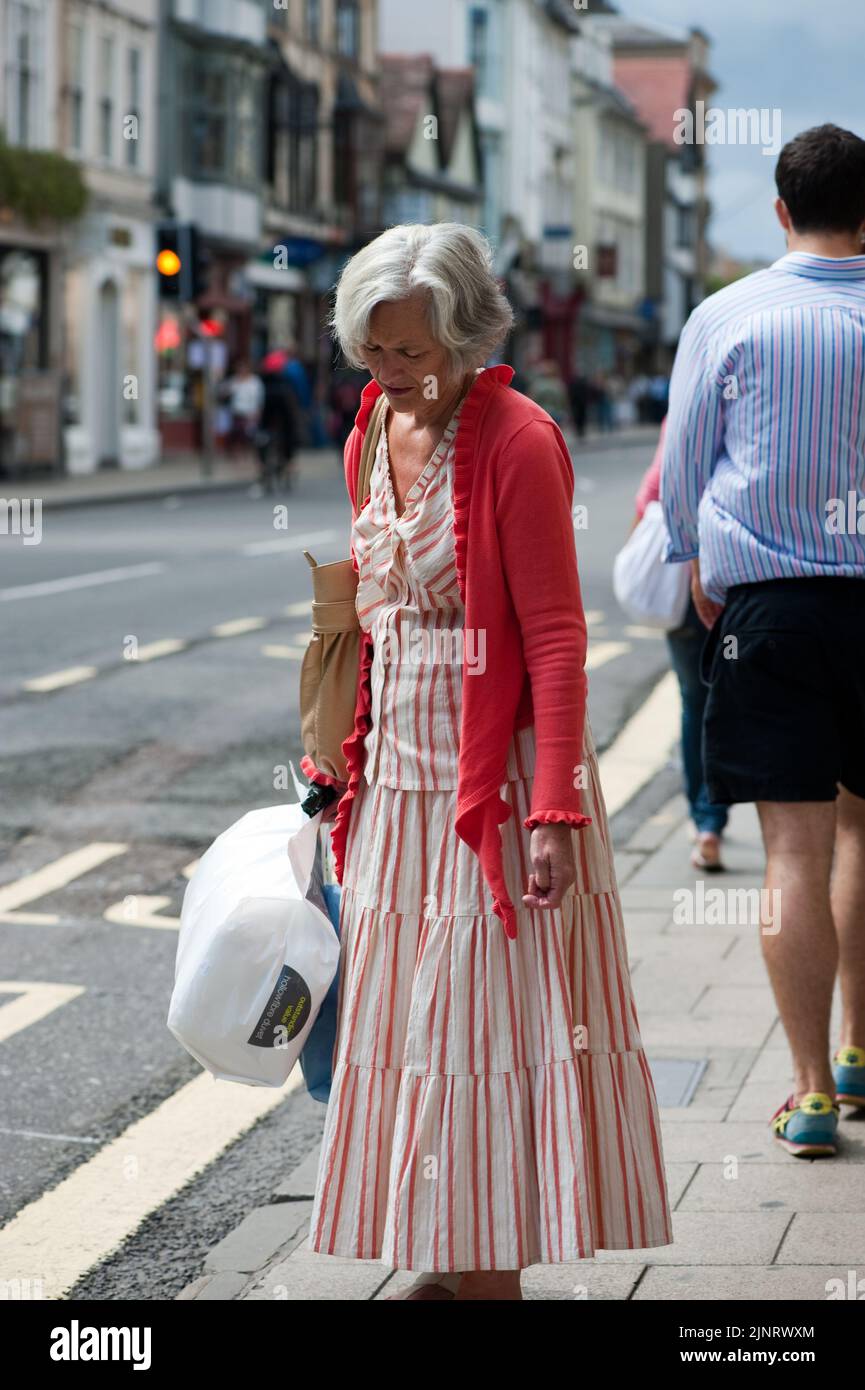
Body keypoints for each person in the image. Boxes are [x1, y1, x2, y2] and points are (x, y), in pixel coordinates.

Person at [301, 222, 672, 1299]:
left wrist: (553, 810)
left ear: (466, 334)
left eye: (413, 353)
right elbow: (363, 615)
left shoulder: (517, 439)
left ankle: (481, 1278)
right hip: (390, 789)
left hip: (493, 790)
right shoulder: (371, 421)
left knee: (483, 1041)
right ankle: (450, 1257)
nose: (392, 374)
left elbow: (556, 636)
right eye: (374, 351)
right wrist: (335, 753)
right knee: (413, 1032)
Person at [661, 123, 865, 1159]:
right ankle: (861, 1049)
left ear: (779, 212)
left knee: (793, 850)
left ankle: (808, 1092)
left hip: (772, 611)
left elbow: (683, 472)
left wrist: (697, 560)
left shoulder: (727, 314)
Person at [631, 416, 729, 869]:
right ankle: (789, 824)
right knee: (739, 703)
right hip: (749, 580)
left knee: (695, 701)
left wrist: (637, 551)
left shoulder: (686, 411)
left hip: (687, 580)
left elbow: (652, 491)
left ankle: (707, 821)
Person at [220, 358, 264, 464]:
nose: (241, 370)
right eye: (239, 368)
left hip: (250, 413)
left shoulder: (255, 382)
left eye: (243, 368)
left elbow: (260, 398)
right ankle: (237, 455)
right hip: (237, 412)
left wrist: (258, 411)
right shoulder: (234, 381)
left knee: (250, 436)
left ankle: (250, 455)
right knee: (237, 435)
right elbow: (223, 392)